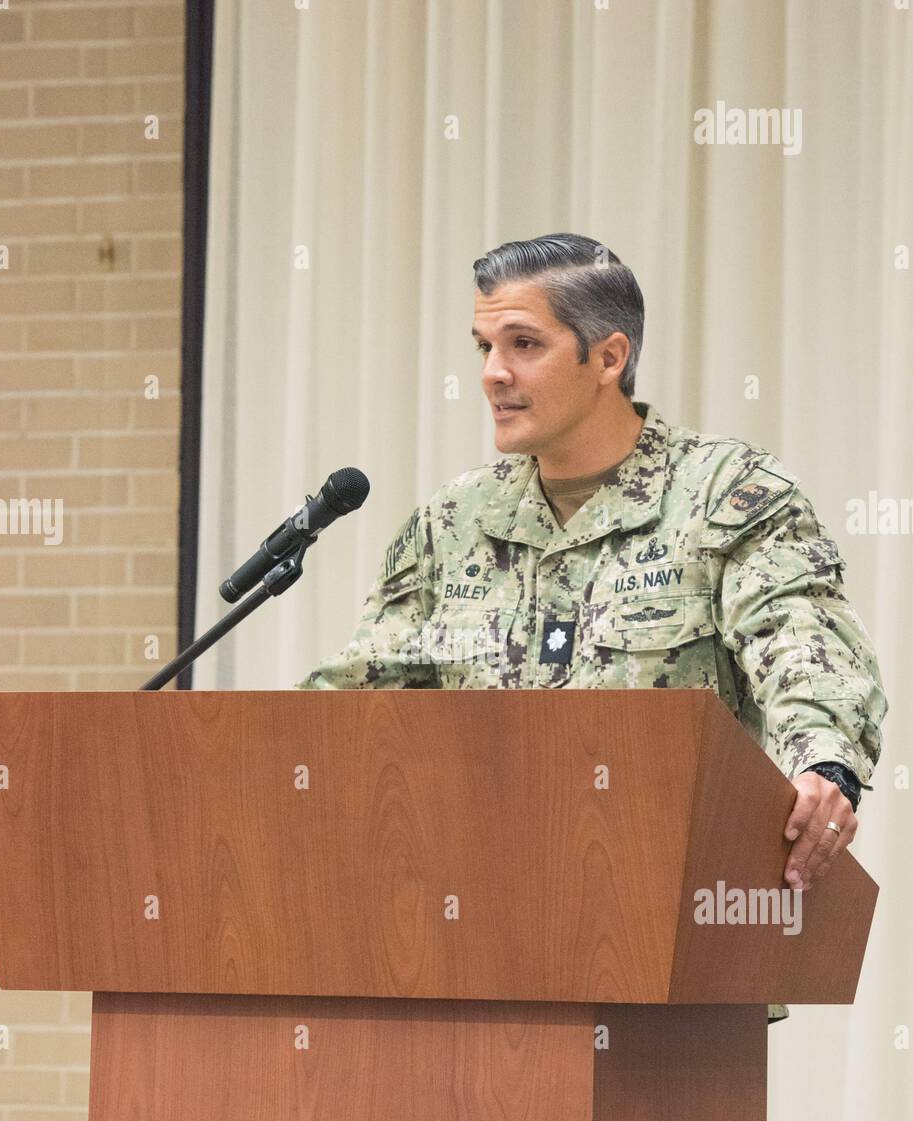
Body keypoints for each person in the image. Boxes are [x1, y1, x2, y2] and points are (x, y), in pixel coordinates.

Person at [296, 234, 888, 1024]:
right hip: (459, 955)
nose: (491, 374)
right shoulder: (453, 522)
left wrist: (825, 766)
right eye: (483, 347)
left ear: (608, 357)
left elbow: (801, 645)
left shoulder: (726, 496)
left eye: (523, 345)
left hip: (666, 961)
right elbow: (355, 699)